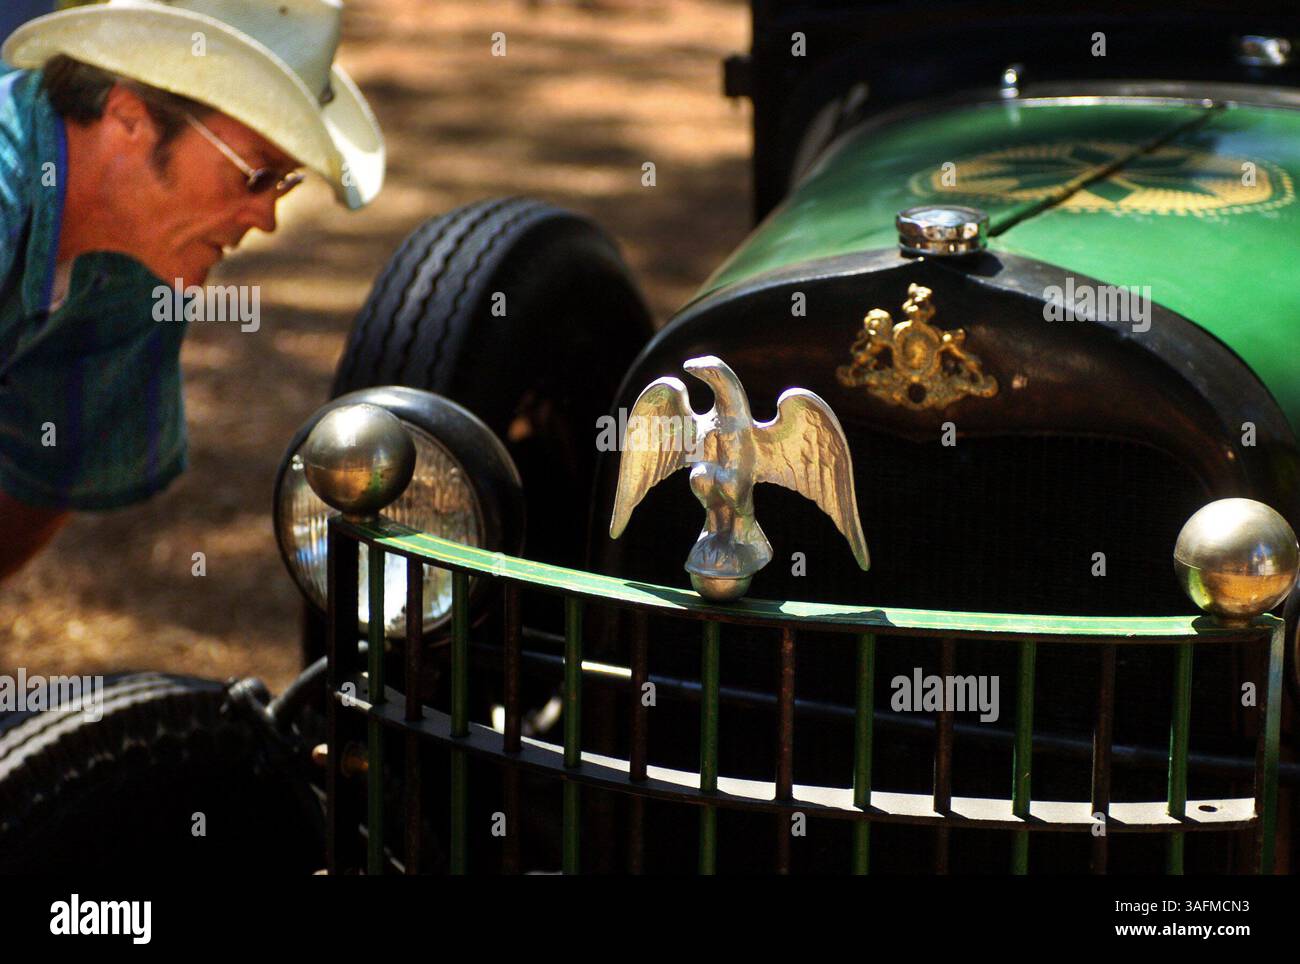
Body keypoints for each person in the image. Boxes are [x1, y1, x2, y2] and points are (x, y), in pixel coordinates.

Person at [0, 0, 384, 580]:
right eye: (255, 175)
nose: (267, 218)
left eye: (283, 184)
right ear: (128, 116)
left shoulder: (144, 264)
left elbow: (45, 475)